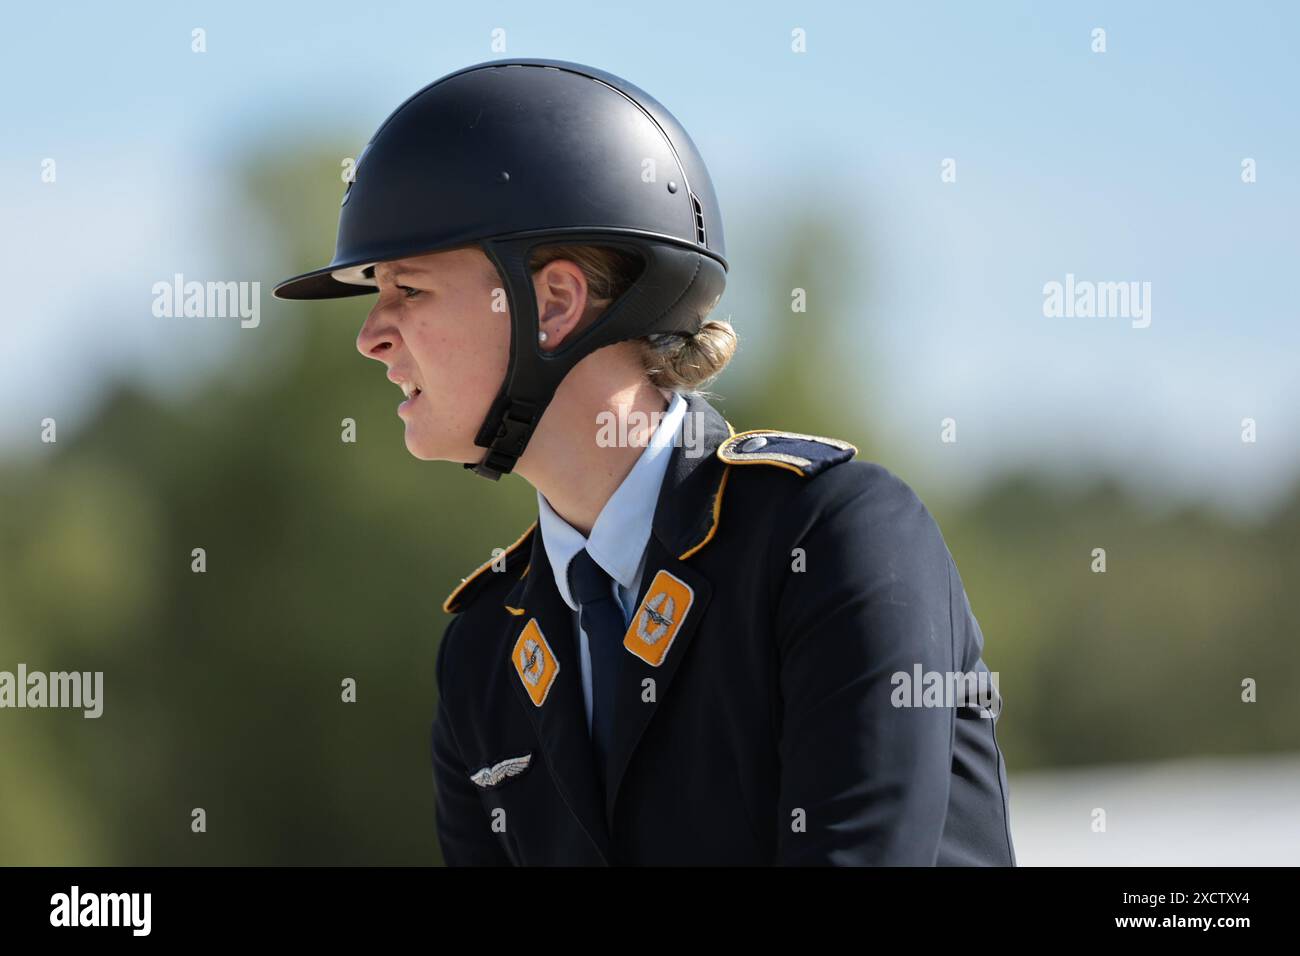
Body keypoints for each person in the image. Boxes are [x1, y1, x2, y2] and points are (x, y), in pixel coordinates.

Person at [274, 58, 1015, 866]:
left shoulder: (834, 540)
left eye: (407, 290)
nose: (370, 334)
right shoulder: (483, 651)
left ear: (554, 304)